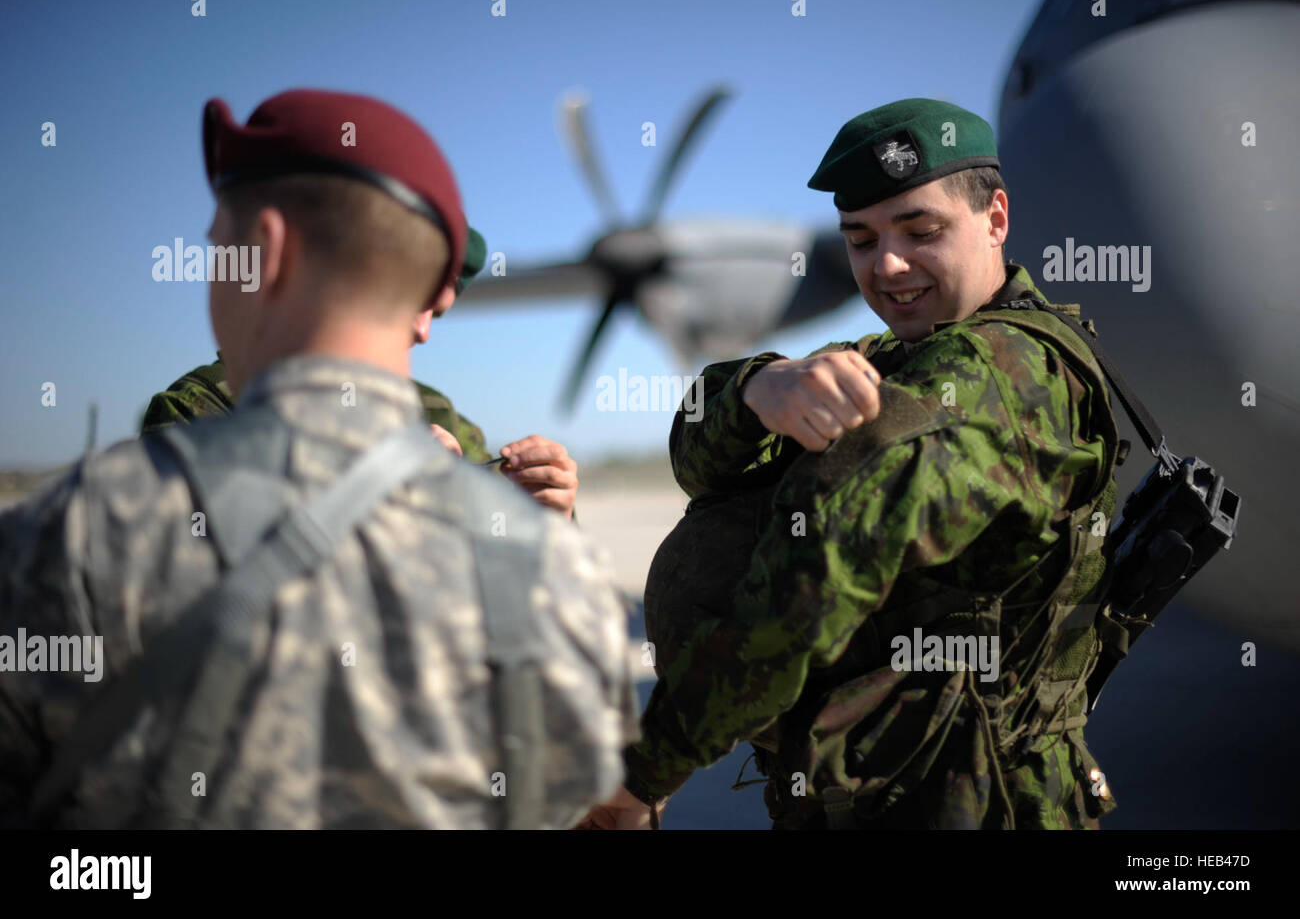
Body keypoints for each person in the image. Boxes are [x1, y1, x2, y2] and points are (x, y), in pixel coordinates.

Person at [0, 88, 638, 828]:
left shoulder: (69, 536)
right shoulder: (571, 584)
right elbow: (594, 801)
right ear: (436, 300)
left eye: (218, 252)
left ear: (265, 254)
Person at [585, 97, 1122, 830]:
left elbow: (825, 559)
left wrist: (650, 766)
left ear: (995, 218)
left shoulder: (1005, 371)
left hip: (977, 804)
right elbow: (694, 454)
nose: (887, 265)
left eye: (920, 230)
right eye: (860, 240)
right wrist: (756, 389)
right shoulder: (889, 361)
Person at [140, 227, 581, 519]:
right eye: (414, 300)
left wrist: (545, 518)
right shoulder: (208, 409)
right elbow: (178, 593)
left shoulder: (437, 413)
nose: (423, 331)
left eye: (437, 314)